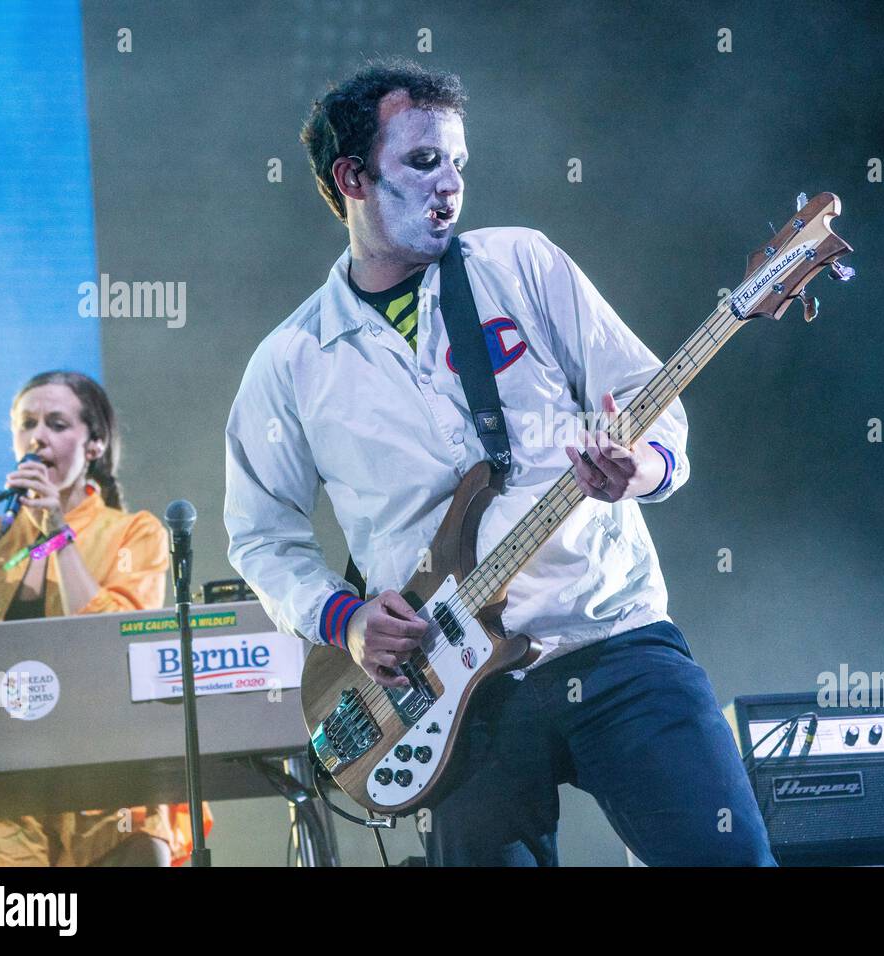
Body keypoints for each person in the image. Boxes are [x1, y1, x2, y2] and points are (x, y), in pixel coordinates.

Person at [224, 58, 775, 866]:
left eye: (458, 163)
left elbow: (647, 396)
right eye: (422, 162)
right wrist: (344, 621)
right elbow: (261, 536)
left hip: (611, 638)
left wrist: (644, 469)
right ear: (352, 177)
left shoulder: (523, 263)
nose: (450, 185)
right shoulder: (290, 361)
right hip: (449, 697)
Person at [0, 370, 209, 866]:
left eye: (57, 424)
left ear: (95, 444)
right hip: (1, 800)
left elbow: (120, 641)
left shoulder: (135, 533)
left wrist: (57, 533)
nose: (37, 437)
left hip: (110, 784)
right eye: (27, 424)